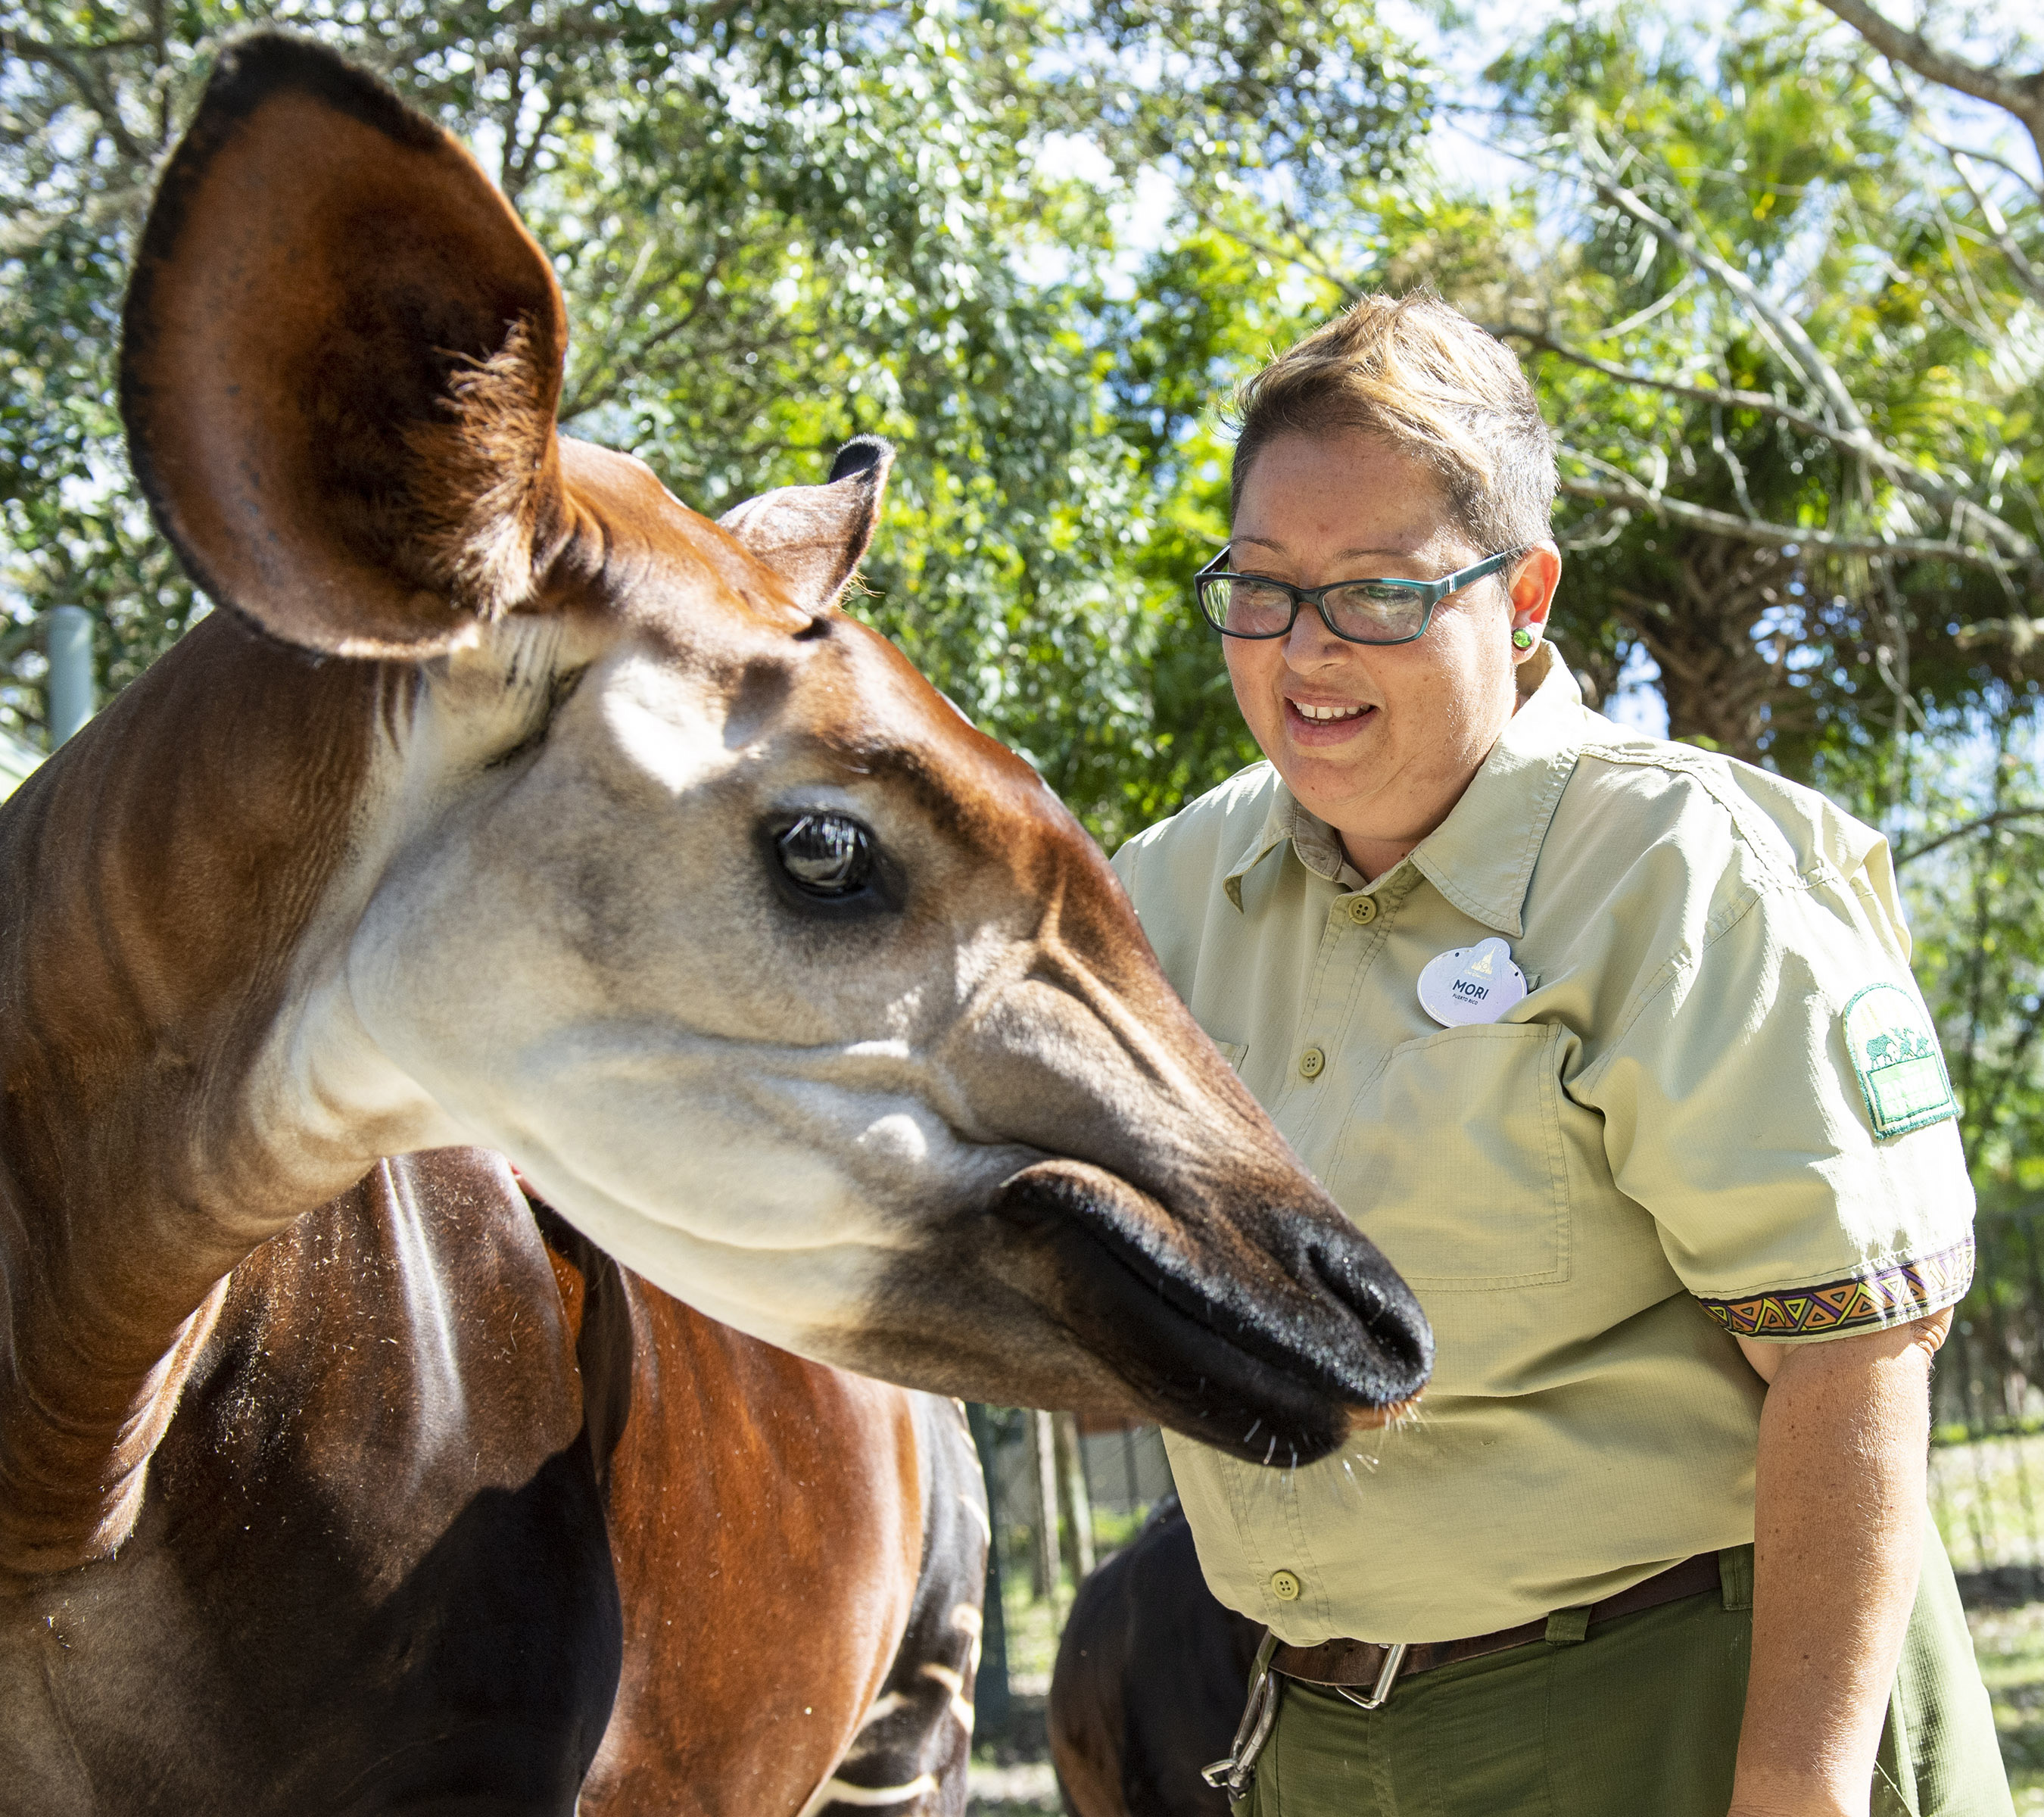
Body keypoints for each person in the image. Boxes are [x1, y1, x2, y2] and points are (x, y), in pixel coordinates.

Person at [1110, 290, 2011, 1817]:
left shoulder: (1681, 874)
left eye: (1380, 594)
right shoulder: (1166, 897)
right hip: (1318, 1735)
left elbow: (1855, 1357)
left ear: (1523, 596)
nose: (1303, 650)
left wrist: (1795, 1791)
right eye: (1261, 589)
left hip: (1691, 1709)